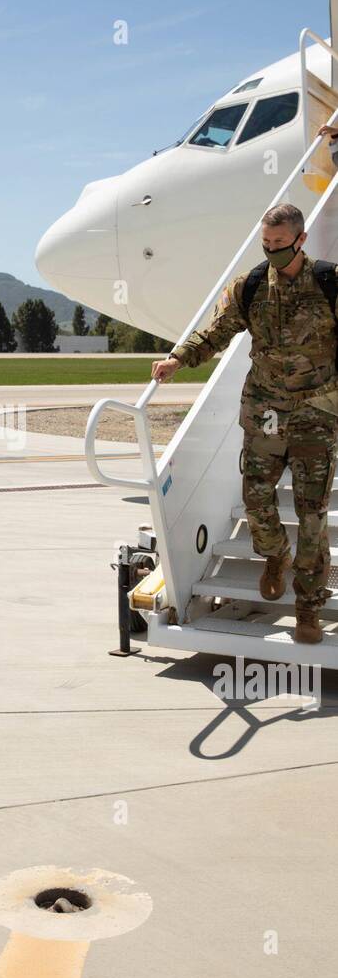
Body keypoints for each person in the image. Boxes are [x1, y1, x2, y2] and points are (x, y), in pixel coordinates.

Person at [152, 204, 338, 647]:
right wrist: (179, 358)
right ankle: (275, 556)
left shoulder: (331, 283)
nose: (271, 251)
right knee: (256, 503)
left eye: (279, 243)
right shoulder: (251, 286)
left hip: (316, 414)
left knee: (312, 517)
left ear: (301, 239)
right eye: (266, 244)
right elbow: (216, 332)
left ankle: (307, 607)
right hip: (265, 413)